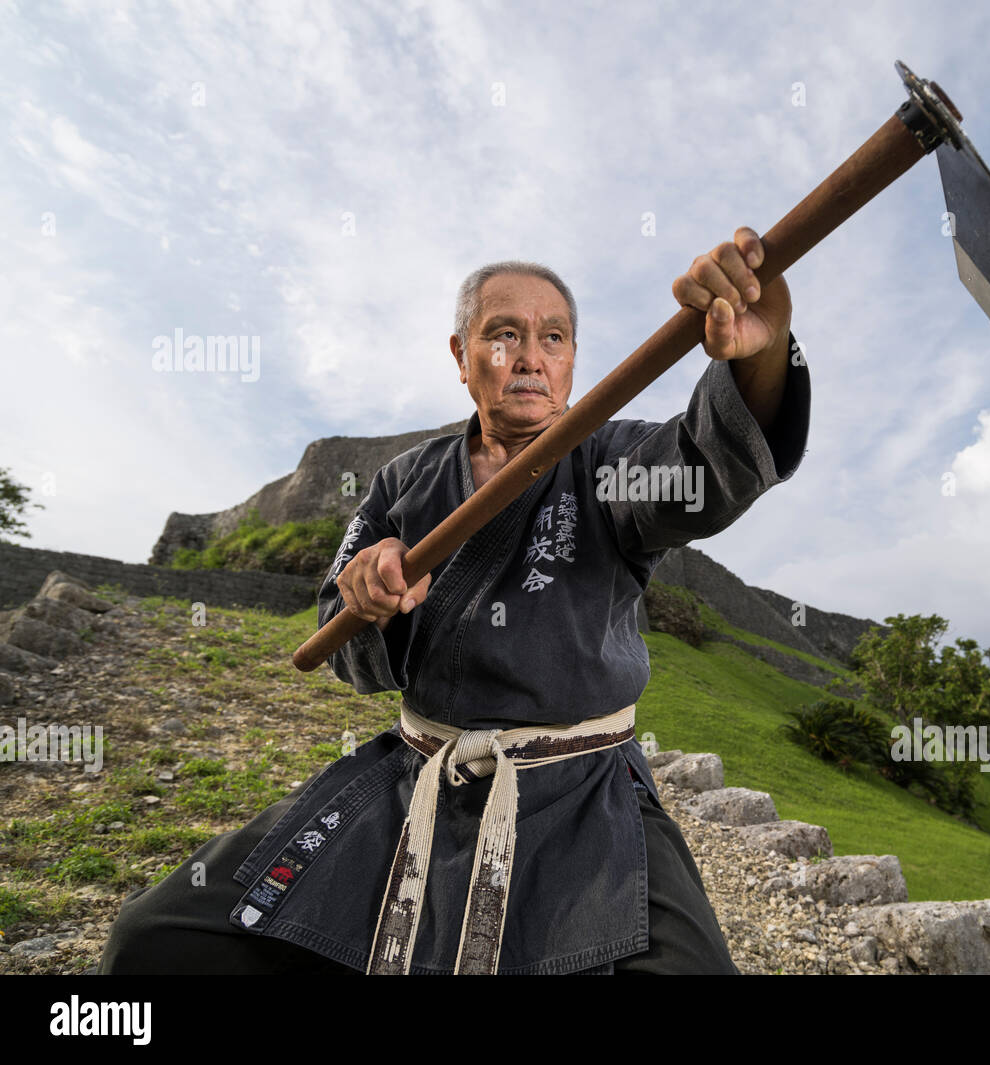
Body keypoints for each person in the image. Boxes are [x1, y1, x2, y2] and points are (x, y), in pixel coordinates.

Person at [98, 226, 810, 975]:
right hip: (417, 778)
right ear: (461, 356)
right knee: (154, 938)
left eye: (554, 337)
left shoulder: (612, 461)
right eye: (504, 335)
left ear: (571, 360)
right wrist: (365, 603)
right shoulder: (402, 483)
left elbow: (708, 463)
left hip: (582, 792)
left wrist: (763, 350)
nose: (531, 356)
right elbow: (338, 645)